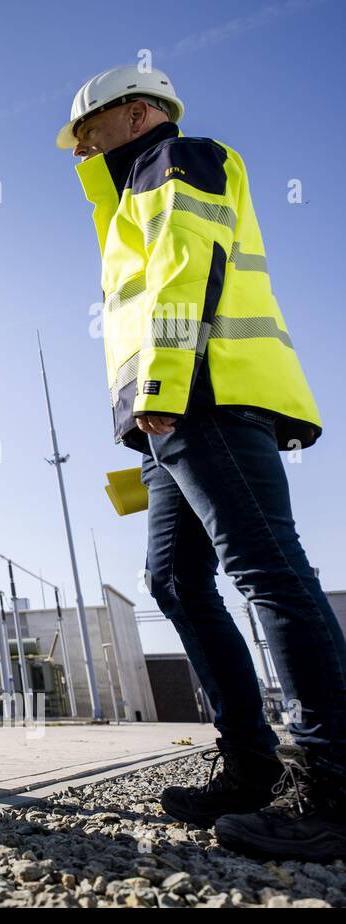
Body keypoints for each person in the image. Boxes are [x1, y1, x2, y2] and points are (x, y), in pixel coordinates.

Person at [60, 65, 346, 862]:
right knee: (176, 580)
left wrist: (165, 380)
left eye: (91, 127)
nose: (82, 145)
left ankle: (335, 782)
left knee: (267, 569)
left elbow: (192, 264)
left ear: (141, 113)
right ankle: (251, 765)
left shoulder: (180, 158)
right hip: (168, 412)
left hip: (203, 391)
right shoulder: (127, 197)